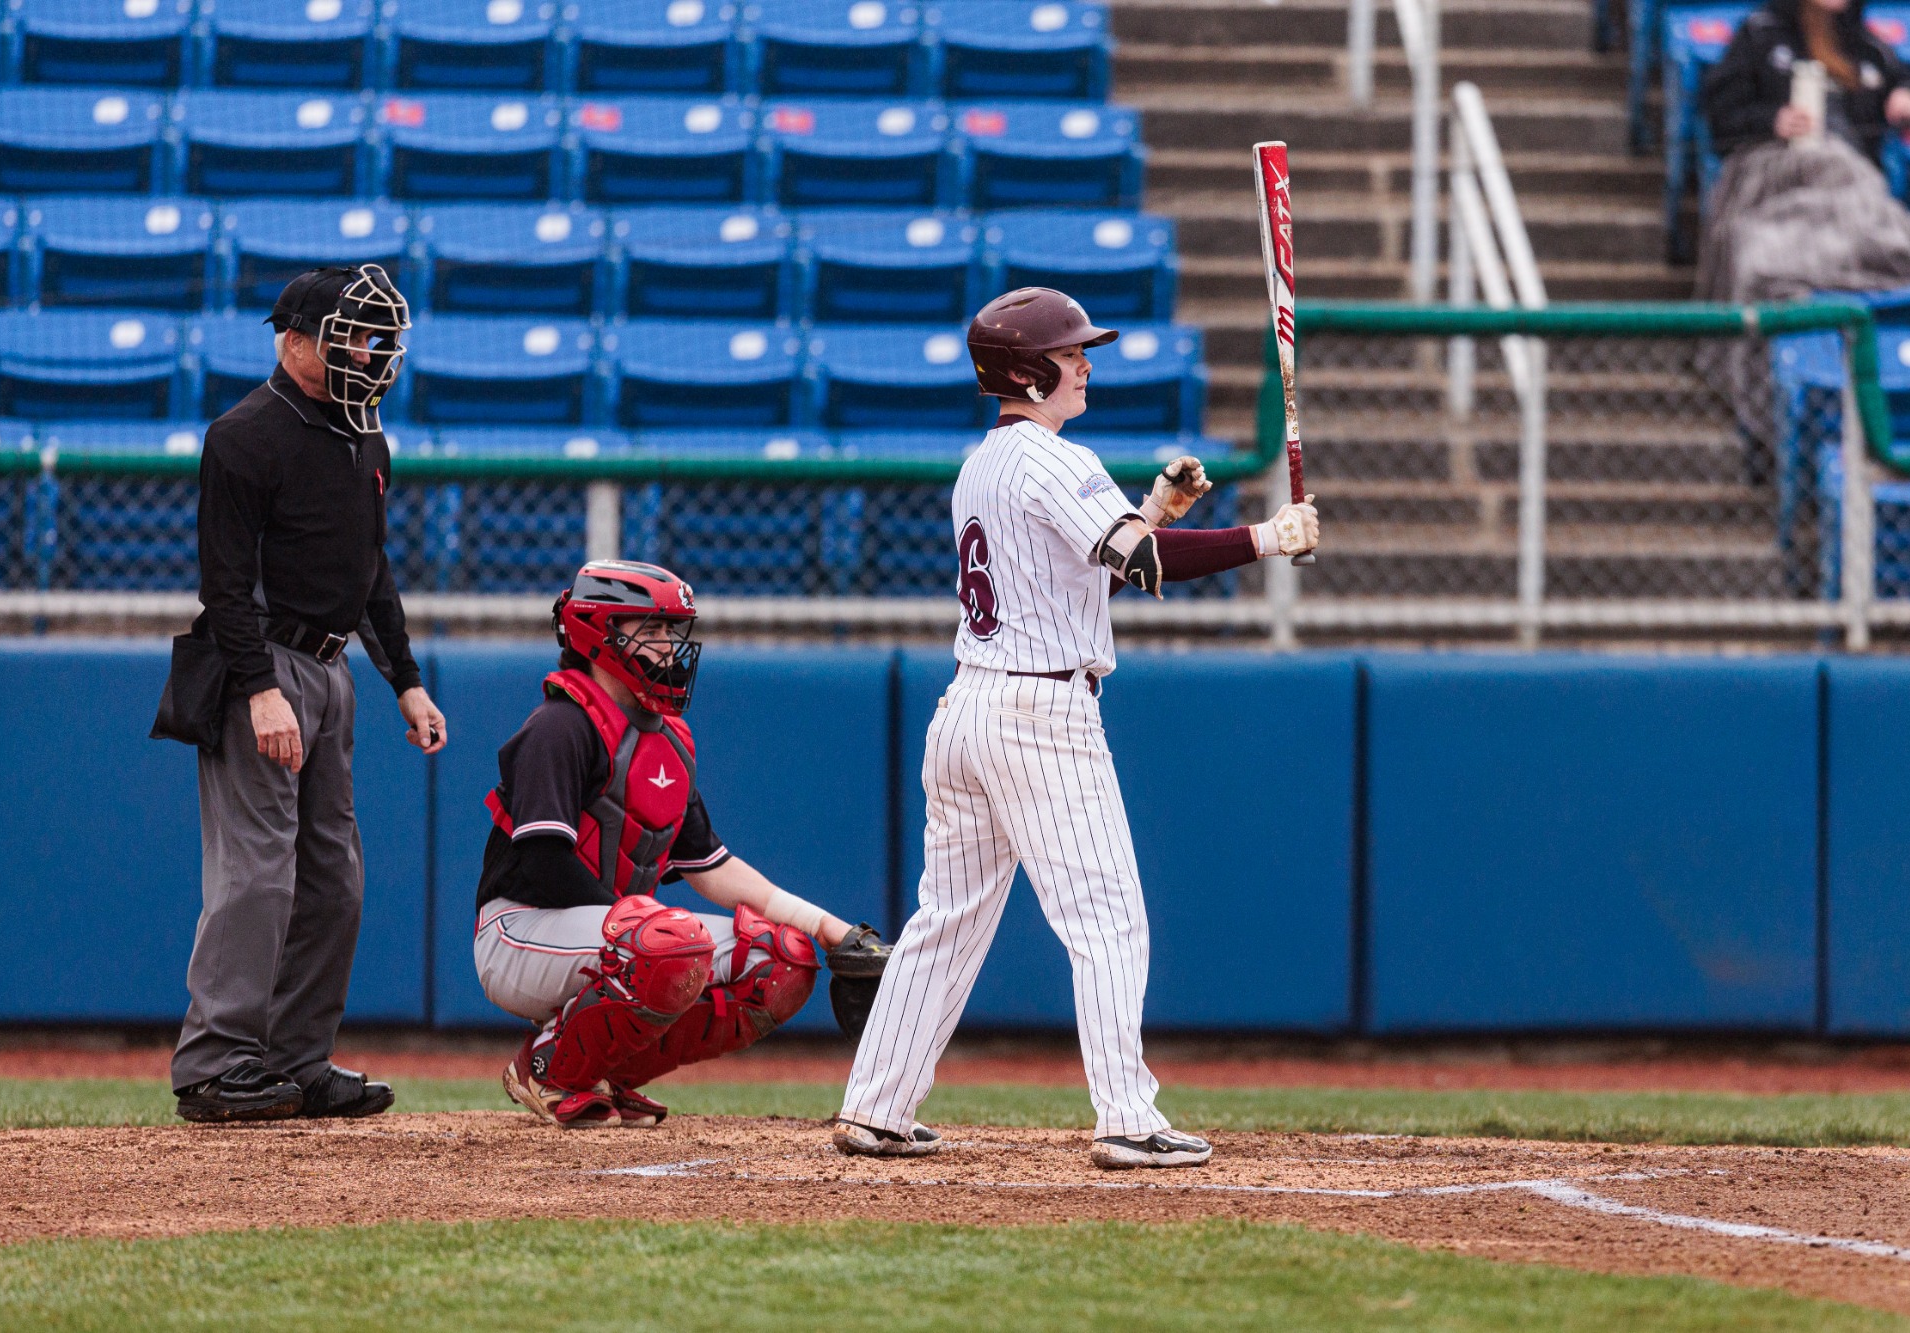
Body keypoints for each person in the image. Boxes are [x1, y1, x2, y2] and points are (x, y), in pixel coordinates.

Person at [832, 287, 1321, 1170]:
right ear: (1028, 374)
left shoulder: (983, 465)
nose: (1085, 364)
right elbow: (1143, 564)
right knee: (1107, 917)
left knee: (946, 921)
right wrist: (1267, 536)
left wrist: (1155, 507)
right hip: (1039, 716)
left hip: (969, 709)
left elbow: (1080, 573)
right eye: (1070, 354)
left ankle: (876, 1106)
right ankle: (1127, 1116)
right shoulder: (1057, 458)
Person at [475, 559, 896, 1129]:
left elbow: (713, 867)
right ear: (599, 633)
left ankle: (601, 1070)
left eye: (670, 631)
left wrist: (829, 929)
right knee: (669, 942)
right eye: (650, 629)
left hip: (608, 935)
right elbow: (543, 864)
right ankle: (549, 1067)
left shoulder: (665, 739)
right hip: (518, 932)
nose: (668, 646)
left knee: (781, 960)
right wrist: (641, 933)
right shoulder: (560, 725)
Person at [172, 264, 447, 1124]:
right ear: (294, 340)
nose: (367, 352)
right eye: (349, 336)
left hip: (333, 671)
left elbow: (370, 569)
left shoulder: (365, 439)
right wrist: (260, 689)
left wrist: (405, 679)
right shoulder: (244, 434)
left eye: (373, 338)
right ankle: (216, 1063)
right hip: (260, 664)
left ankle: (295, 1059)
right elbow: (224, 584)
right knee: (257, 873)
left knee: (335, 880)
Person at [1695, 0, 1910, 305]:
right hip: (1778, 176)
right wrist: (1772, 121)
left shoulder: (1866, 46)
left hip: (1853, 185)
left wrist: (1909, 95)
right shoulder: (1759, 34)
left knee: (1848, 170)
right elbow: (1721, 117)